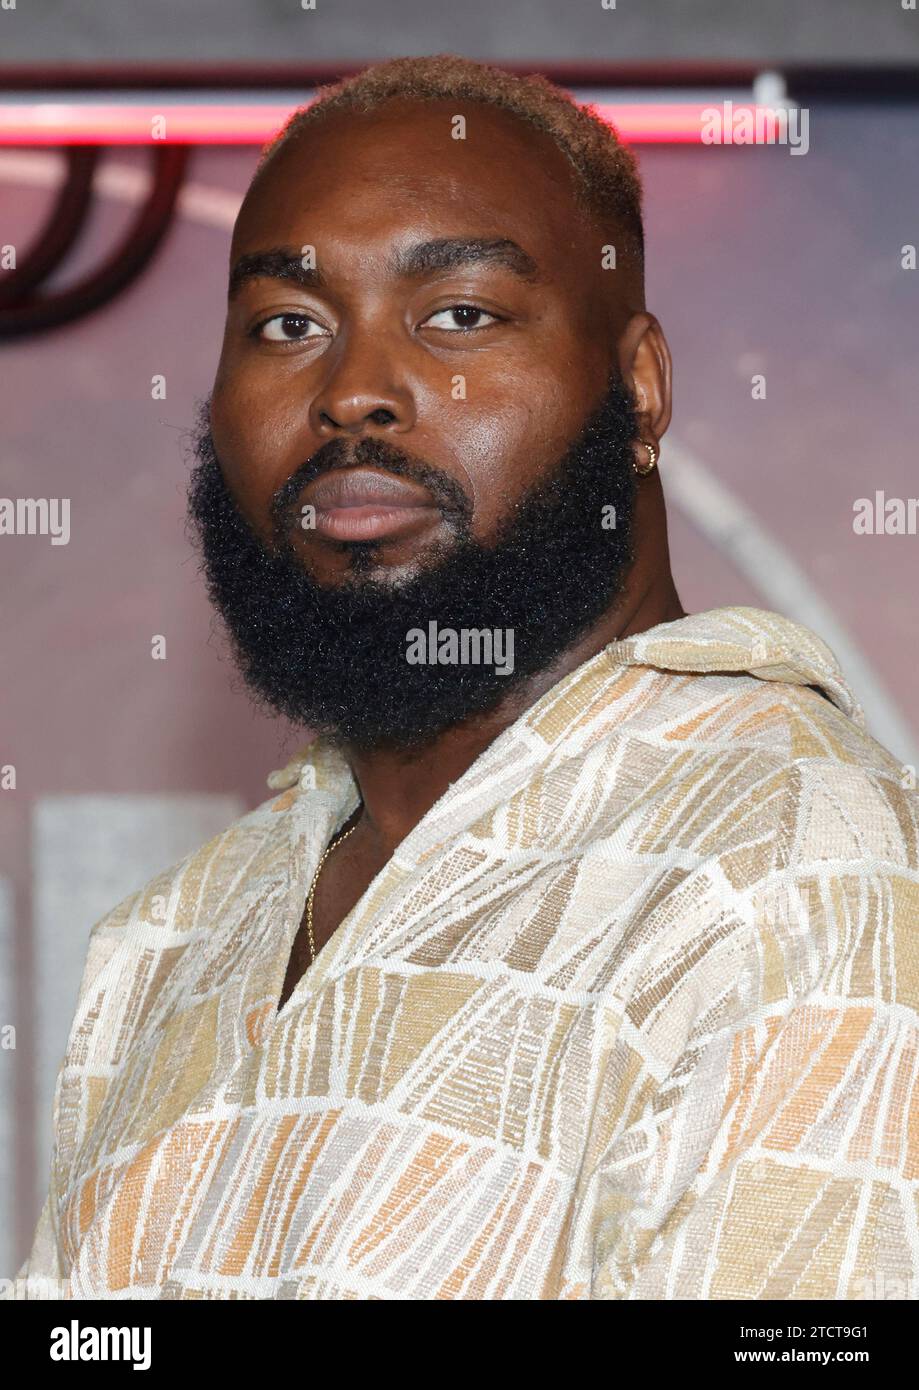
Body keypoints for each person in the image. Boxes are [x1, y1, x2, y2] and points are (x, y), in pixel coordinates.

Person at [10, 53, 919, 1300]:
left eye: (460, 315)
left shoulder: (787, 866)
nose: (356, 394)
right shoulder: (177, 933)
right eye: (289, 324)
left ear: (639, 387)